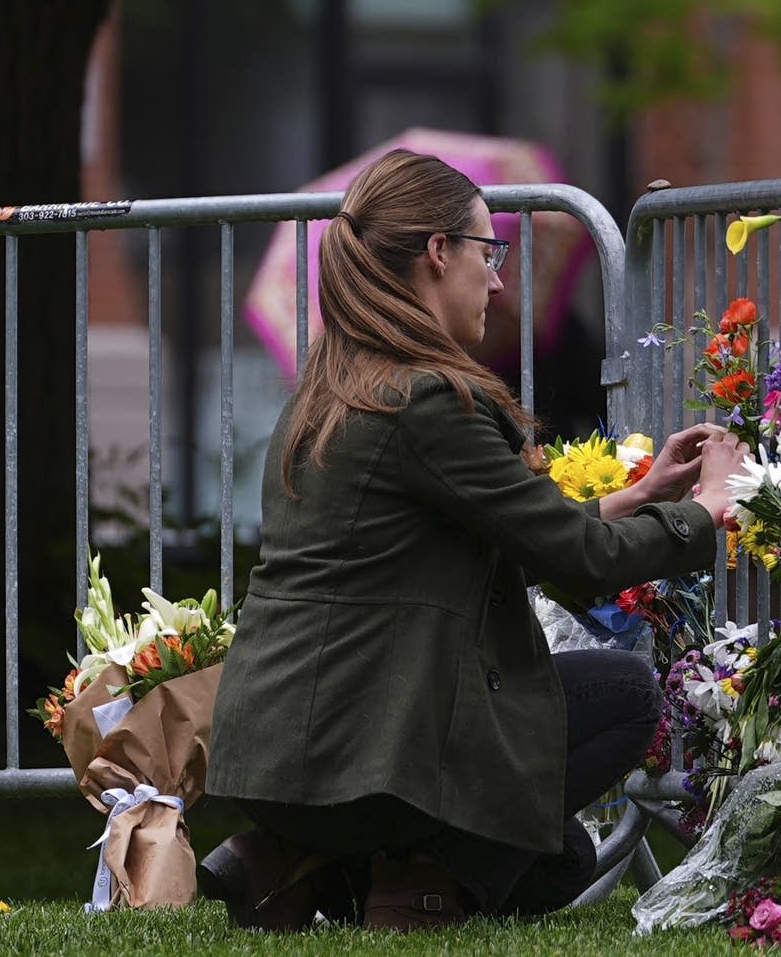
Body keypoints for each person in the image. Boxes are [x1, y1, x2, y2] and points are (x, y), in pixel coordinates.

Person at [202, 149, 745, 931]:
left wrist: (637, 496)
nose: (497, 281)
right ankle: (413, 889)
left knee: (558, 860)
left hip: (277, 756)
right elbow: (578, 563)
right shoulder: (425, 401)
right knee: (624, 701)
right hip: (357, 763)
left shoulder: (328, 390)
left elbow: (498, 534)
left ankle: (300, 865)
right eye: (488, 254)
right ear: (437, 253)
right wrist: (708, 509)